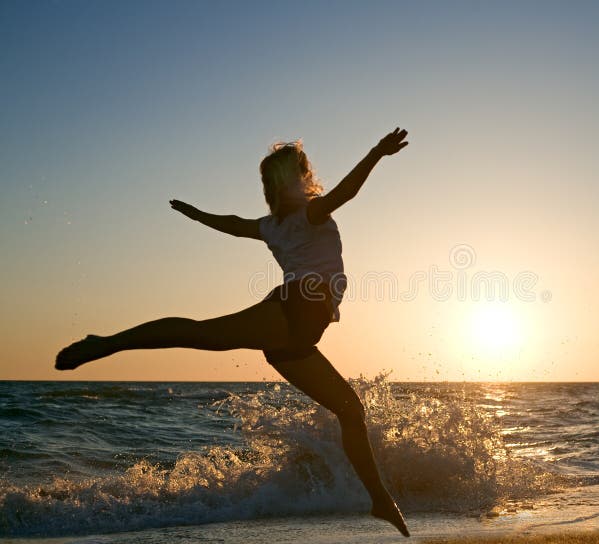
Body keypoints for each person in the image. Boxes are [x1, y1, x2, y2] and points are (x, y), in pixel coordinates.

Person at [55, 128, 411, 536]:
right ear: (294, 181)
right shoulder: (308, 215)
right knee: (201, 334)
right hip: (296, 309)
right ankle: (108, 343)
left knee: (350, 410)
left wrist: (197, 214)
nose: (301, 180)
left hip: (296, 338)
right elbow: (345, 192)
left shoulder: (270, 225)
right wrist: (376, 153)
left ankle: (379, 499)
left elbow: (233, 224)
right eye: (295, 175)